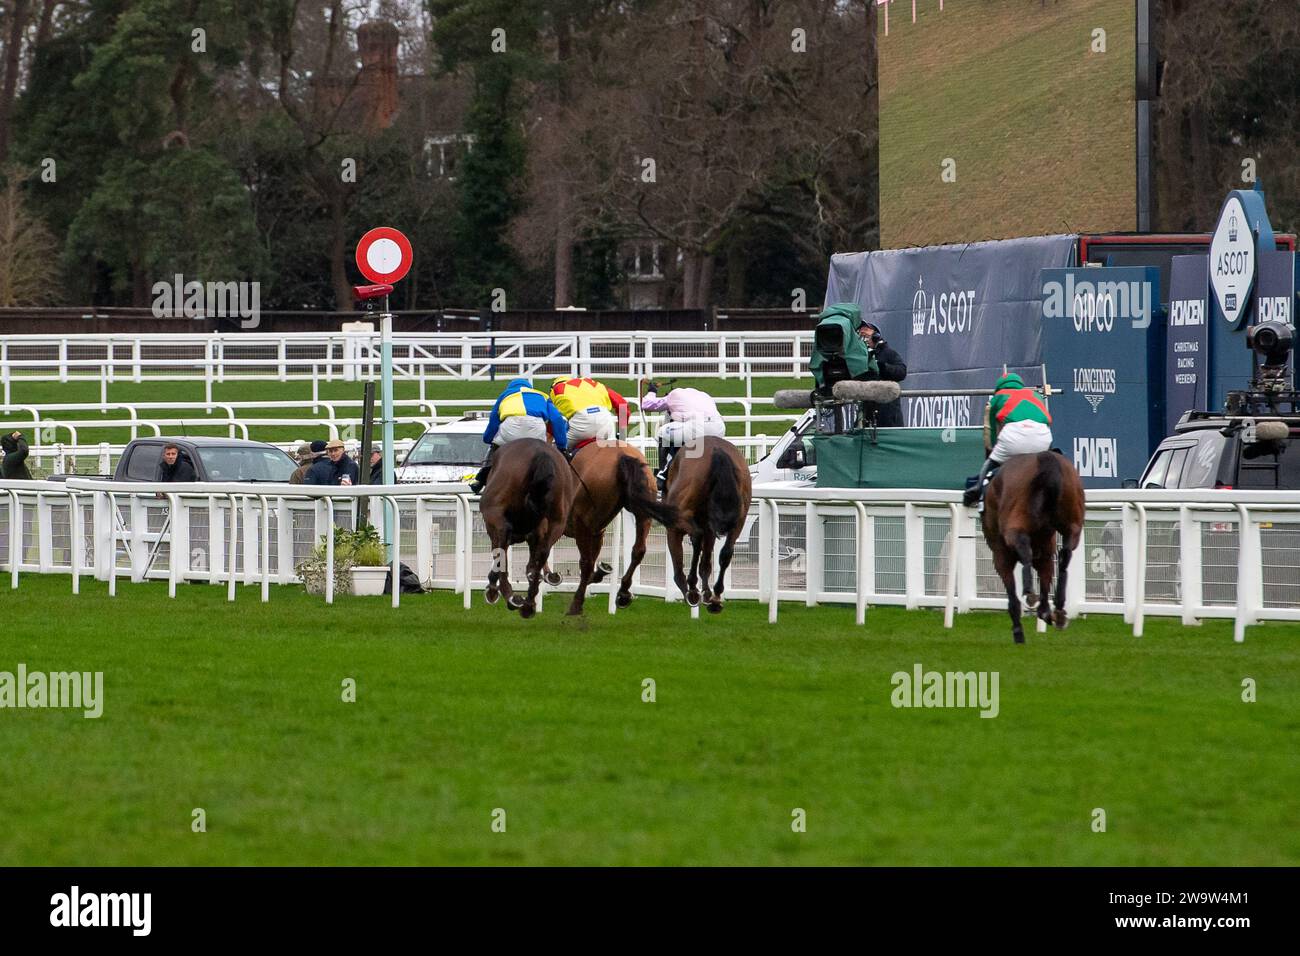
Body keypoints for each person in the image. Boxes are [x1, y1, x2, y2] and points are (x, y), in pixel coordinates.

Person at [962, 372, 1054, 508]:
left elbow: (991, 430)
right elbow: (1046, 421)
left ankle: (976, 489)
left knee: (992, 461)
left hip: (1013, 435)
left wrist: (993, 450)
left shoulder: (997, 398)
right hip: (1042, 434)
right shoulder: (1036, 395)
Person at [470, 378, 569, 493]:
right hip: (536, 428)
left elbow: (494, 420)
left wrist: (488, 438)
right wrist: (562, 446)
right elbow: (557, 419)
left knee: (495, 445)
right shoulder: (542, 395)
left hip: (511, 428)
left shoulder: (505, 395)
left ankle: (480, 479)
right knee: (545, 450)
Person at [641, 380, 726, 493]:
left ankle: (662, 474)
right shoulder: (704, 395)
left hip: (697, 428)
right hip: (719, 428)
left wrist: (652, 391)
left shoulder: (673, 395)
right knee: (682, 434)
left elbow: (646, 405)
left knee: (662, 432)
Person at [548, 375, 629, 450]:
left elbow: (554, 419)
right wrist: (622, 436)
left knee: (555, 453)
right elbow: (622, 404)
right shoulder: (594, 384)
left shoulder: (555, 391)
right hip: (605, 422)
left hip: (581, 424)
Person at [859, 322, 907, 427]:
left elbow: (901, 372)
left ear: (876, 336)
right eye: (861, 335)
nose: (863, 336)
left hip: (888, 412)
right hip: (868, 410)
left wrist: (881, 366)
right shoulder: (859, 357)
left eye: (866, 333)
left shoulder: (888, 353)